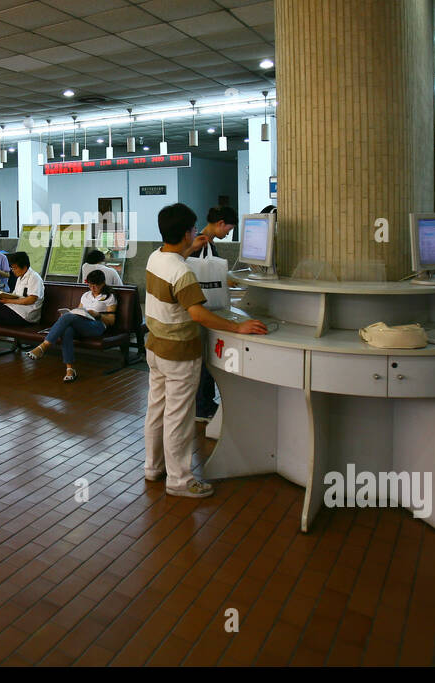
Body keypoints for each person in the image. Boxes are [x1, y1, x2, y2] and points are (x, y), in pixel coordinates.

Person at [144, 203, 267, 499]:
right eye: (193, 229)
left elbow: (173, 271)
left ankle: (153, 467)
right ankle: (179, 481)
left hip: (155, 347)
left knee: (157, 409)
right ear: (186, 233)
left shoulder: (155, 258)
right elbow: (197, 314)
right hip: (179, 352)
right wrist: (237, 327)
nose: (197, 232)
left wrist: (187, 250)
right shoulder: (182, 272)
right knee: (179, 417)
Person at [189, 206, 238, 422]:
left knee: (204, 360)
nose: (228, 232)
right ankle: (203, 406)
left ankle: (203, 404)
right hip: (202, 309)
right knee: (204, 361)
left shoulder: (202, 241)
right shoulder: (202, 243)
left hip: (202, 306)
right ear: (220, 223)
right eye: (228, 228)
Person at [28, 269, 117, 382]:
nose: (93, 289)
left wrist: (97, 315)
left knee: (68, 318)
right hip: (83, 323)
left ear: (103, 284)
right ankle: (70, 369)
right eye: (90, 285)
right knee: (67, 329)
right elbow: (79, 311)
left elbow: (111, 320)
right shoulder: (86, 295)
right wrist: (71, 316)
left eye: (96, 286)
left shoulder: (110, 297)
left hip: (98, 325)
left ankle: (44, 346)